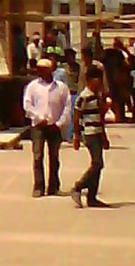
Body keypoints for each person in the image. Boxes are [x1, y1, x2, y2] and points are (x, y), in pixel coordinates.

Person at [23, 54, 72, 198]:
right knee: (38, 157)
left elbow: (67, 107)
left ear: (50, 70)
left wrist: (59, 123)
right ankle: (38, 187)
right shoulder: (33, 87)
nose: (40, 72)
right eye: (39, 69)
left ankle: (54, 186)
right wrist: (38, 118)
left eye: (43, 69)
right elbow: (27, 105)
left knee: (54, 158)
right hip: (38, 126)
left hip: (54, 127)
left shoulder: (61, 88)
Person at [70, 61, 110, 209]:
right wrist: (77, 136)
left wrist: (104, 137)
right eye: (96, 79)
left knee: (98, 165)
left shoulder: (97, 96)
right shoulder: (84, 97)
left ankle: (92, 197)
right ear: (89, 80)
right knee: (98, 163)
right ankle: (78, 186)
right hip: (89, 133)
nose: (99, 82)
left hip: (98, 132)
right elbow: (77, 117)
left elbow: (100, 117)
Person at [102, 39, 133, 122]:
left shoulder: (119, 54)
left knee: (119, 99)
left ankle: (120, 116)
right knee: (116, 99)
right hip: (114, 79)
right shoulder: (110, 54)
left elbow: (128, 62)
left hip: (116, 79)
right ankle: (119, 116)